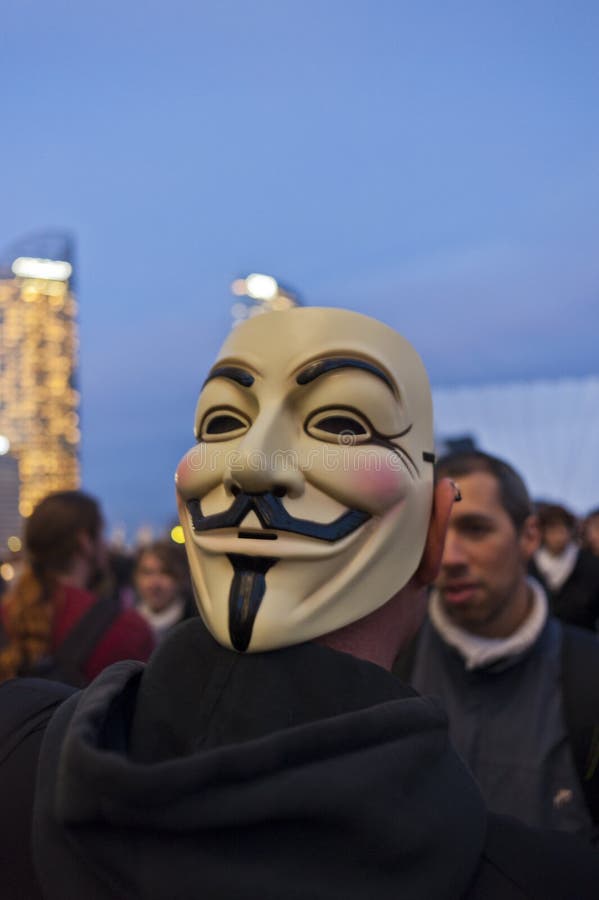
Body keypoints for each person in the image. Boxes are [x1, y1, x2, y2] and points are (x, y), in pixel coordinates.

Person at [1, 310, 598, 899]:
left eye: (340, 425)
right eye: (223, 424)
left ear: (428, 523)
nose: (253, 466)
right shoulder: (544, 878)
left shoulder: (18, 748)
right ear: (439, 531)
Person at [395, 451, 599, 840]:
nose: (447, 556)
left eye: (475, 529)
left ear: (529, 537)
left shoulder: (588, 678)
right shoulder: (383, 666)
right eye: (432, 532)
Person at [0, 490, 155, 687]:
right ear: (84, 542)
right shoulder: (127, 628)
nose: (105, 543)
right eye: (101, 533)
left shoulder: (7, 615)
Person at [530, 502, 599, 631]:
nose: (558, 536)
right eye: (553, 529)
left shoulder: (590, 565)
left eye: (563, 529)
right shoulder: (529, 564)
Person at [134, 540, 195, 642]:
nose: (154, 583)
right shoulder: (129, 624)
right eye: (147, 572)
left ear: (180, 577)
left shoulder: (194, 626)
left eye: (165, 573)